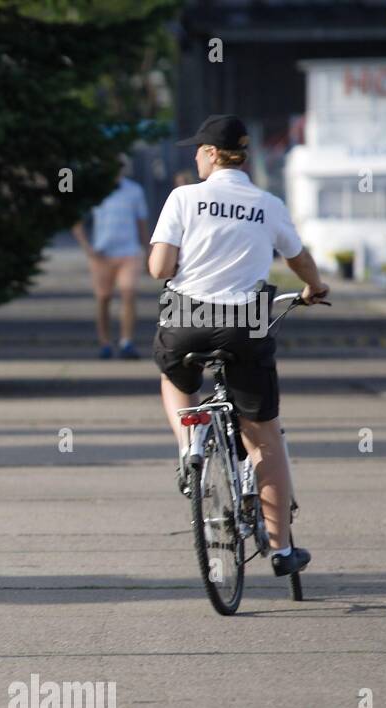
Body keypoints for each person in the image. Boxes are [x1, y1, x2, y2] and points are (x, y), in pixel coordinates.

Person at [147, 114, 329, 577]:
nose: (193, 156)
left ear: (210, 154)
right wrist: (313, 288)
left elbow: (159, 267)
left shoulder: (184, 197)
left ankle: (190, 448)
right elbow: (298, 257)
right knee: (263, 434)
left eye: (197, 149)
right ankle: (281, 548)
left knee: (175, 377)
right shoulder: (266, 203)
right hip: (244, 322)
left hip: (187, 317)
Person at [71, 154, 150, 359]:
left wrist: (148, 250)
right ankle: (105, 342)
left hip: (129, 251)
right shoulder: (94, 191)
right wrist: (87, 247)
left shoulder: (134, 191)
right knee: (103, 298)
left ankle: (127, 341)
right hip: (102, 253)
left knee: (128, 292)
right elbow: (75, 218)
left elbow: (142, 223)